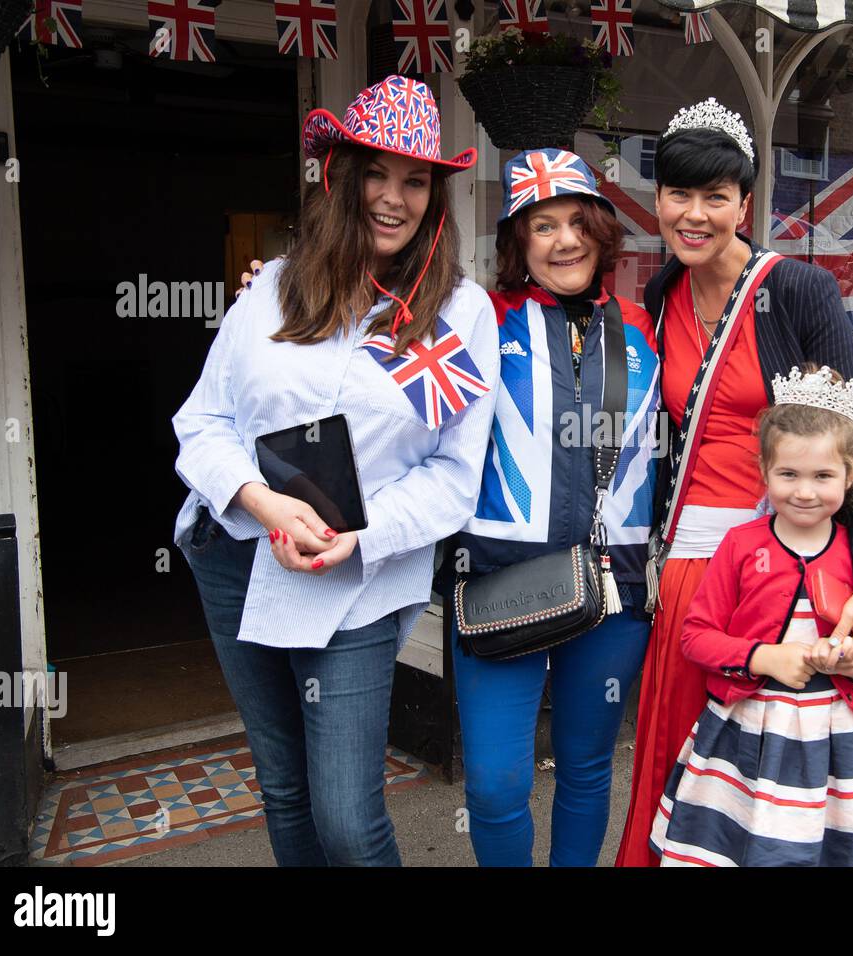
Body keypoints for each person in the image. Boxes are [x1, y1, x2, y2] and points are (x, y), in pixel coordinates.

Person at [173, 77, 497, 866]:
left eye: (414, 180)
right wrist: (259, 500)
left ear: (435, 194)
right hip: (235, 553)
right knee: (283, 792)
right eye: (375, 174)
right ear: (338, 177)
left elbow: (455, 474)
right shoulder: (274, 290)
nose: (393, 198)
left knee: (349, 822)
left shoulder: (458, 312)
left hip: (351, 579)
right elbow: (202, 422)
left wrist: (359, 536)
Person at [617, 99, 853, 866]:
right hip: (694, 568)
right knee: (694, 766)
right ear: (660, 201)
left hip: (792, 565)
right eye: (679, 194)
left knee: (803, 780)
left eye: (716, 196)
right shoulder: (661, 297)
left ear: (745, 204)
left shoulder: (799, 290)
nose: (694, 213)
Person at [437, 149, 661, 866]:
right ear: (517, 241)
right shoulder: (478, 318)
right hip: (501, 579)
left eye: (576, 221)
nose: (564, 240)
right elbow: (377, 352)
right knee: (498, 785)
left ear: (600, 230)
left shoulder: (641, 328)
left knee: (588, 769)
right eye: (541, 226)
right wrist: (275, 290)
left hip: (615, 589)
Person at [649, 366, 853, 866]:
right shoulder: (741, 546)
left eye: (823, 476)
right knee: (753, 844)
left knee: (835, 849)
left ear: (851, 474)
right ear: (764, 471)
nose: (804, 491)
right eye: (788, 474)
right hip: (749, 737)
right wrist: (764, 656)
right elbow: (696, 638)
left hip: (842, 739)